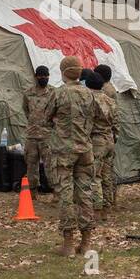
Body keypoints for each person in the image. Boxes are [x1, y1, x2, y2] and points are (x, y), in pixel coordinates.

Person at [46, 55, 97, 255]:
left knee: (66, 195)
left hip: (63, 151)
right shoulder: (89, 94)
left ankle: (68, 243)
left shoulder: (58, 94)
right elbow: (93, 118)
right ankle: (86, 243)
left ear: (63, 72)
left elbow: (46, 117)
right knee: (84, 194)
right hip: (85, 149)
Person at [22, 65, 55, 201]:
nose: (44, 79)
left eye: (46, 76)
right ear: (36, 77)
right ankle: (32, 192)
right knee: (31, 164)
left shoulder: (54, 93)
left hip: (48, 135)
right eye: (41, 76)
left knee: (50, 165)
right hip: (32, 135)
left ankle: (55, 192)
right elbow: (26, 111)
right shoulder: (28, 93)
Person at [87, 69, 116, 221]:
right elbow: (116, 122)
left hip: (97, 141)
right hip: (109, 139)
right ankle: (107, 207)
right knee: (107, 175)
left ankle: (96, 209)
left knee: (94, 175)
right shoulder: (110, 100)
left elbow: (87, 123)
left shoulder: (90, 100)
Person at [93, 64, 119, 212]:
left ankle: (99, 206)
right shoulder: (111, 92)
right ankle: (109, 203)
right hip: (109, 137)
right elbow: (116, 119)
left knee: (97, 173)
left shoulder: (104, 93)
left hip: (99, 139)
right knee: (107, 172)